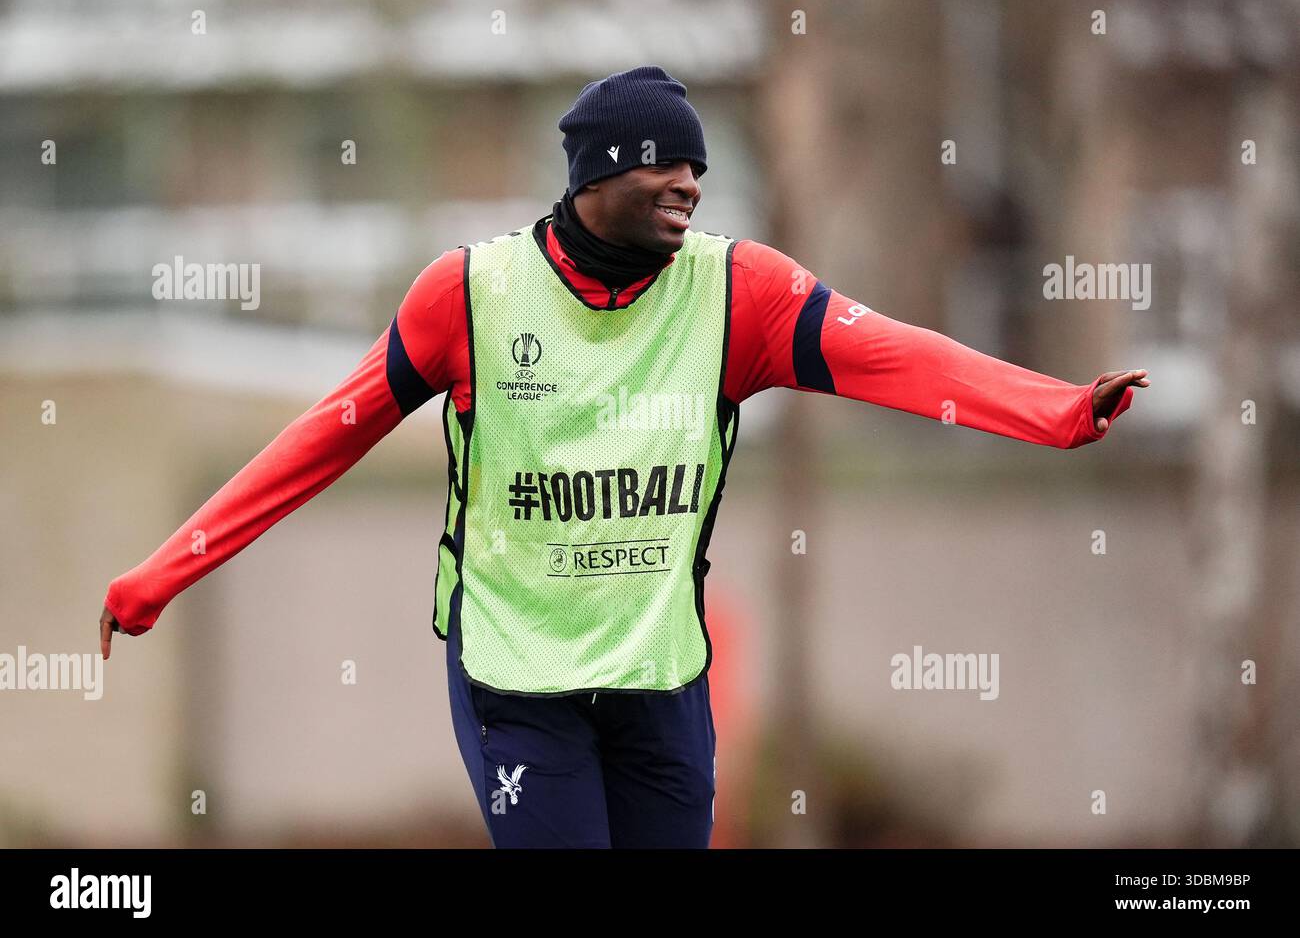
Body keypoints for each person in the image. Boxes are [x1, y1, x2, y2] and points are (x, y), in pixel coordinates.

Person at [99, 66, 1148, 848]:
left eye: (697, 164)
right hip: (516, 670)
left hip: (657, 674)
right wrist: (159, 574)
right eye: (664, 161)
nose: (689, 182)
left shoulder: (742, 294)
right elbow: (319, 440)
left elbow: (900, 359)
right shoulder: (467, 295)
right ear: (598, 171)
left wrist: (1058, 409)